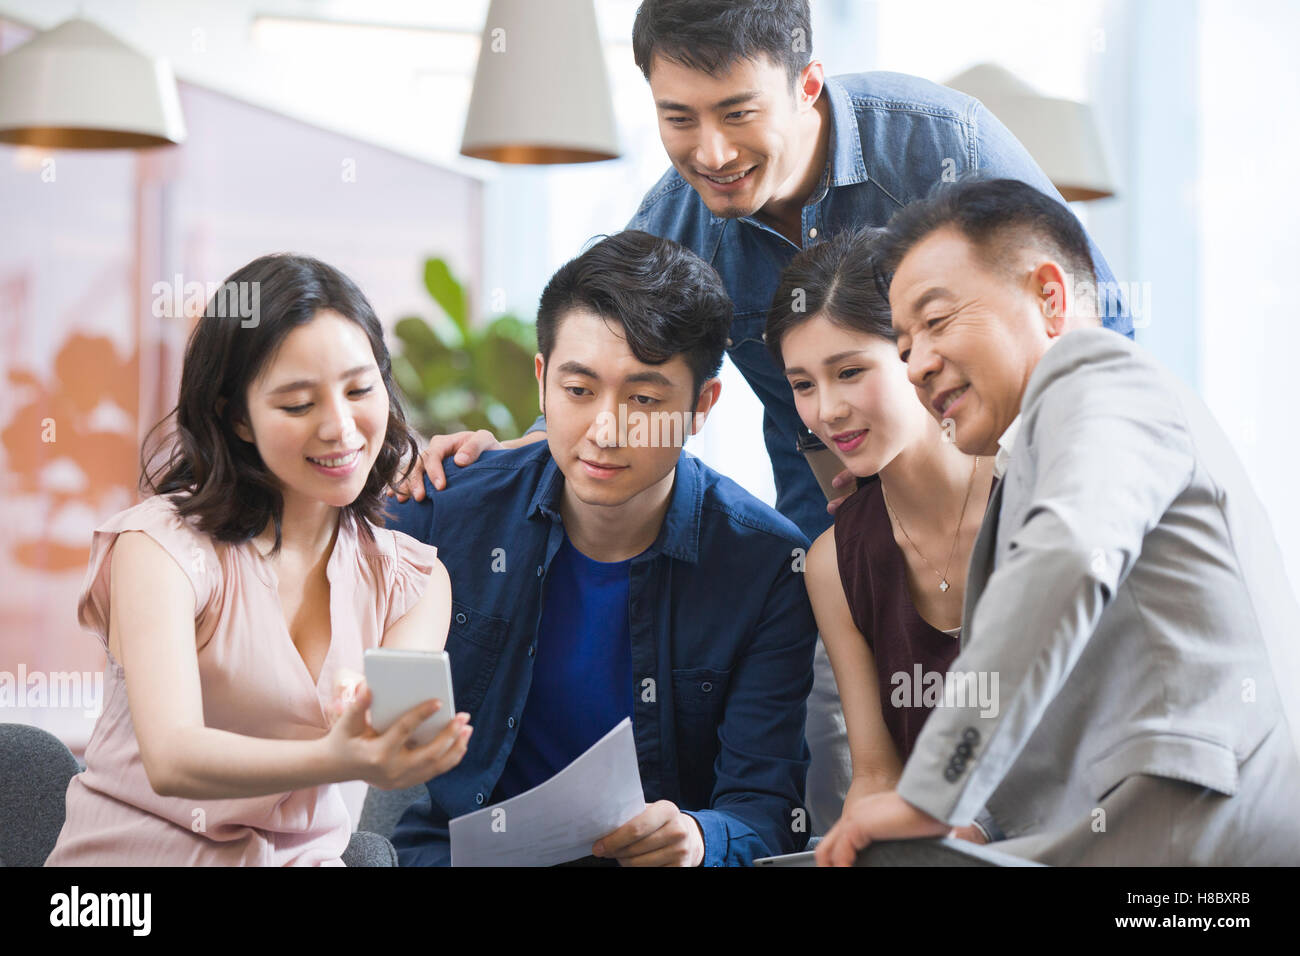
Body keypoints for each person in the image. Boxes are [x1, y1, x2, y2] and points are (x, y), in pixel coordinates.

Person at [404, 0, 1131, 834]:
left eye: (738, 113)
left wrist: (1050, 487)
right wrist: (510, 454)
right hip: (832, 538)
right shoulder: (678, 222)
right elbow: (616, 363)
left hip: (1009, 498)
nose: (709, 153)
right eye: (678, 119)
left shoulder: (939, 144)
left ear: (807, 85)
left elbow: (1093, 321)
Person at [817, 177, 1300, 865]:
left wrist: (931, 794)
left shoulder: (1096, 372)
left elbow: (1069, 555)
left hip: (1199, 839)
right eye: (902, 348)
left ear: (1049, 296)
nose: (919, 364)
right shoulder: (1038, 456)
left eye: (938, 320)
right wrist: (975, 823)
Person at [385, 231, 818, 867]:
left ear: (702, 406)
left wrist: (699, 839)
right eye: (579, 391)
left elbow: (768, 808)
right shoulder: (448, 511)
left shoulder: (765, 566)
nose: (605, 431)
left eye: (644, 399)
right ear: (541, 382)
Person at [45, 254, 472, 867]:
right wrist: (338, 757)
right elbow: (173, 758)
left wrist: (403, 744)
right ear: (235, 416)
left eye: (359, 389)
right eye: (298, 405)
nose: (341, 427)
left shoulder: (413, 581)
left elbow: (390, 734)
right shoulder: (160, 548)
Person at [764, 227, 995, 843]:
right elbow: (873, 773)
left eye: (849, 371)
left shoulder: (1033, 492)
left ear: (916, 352)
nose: (828, 411)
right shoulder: (834, 563)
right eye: (804, 384)